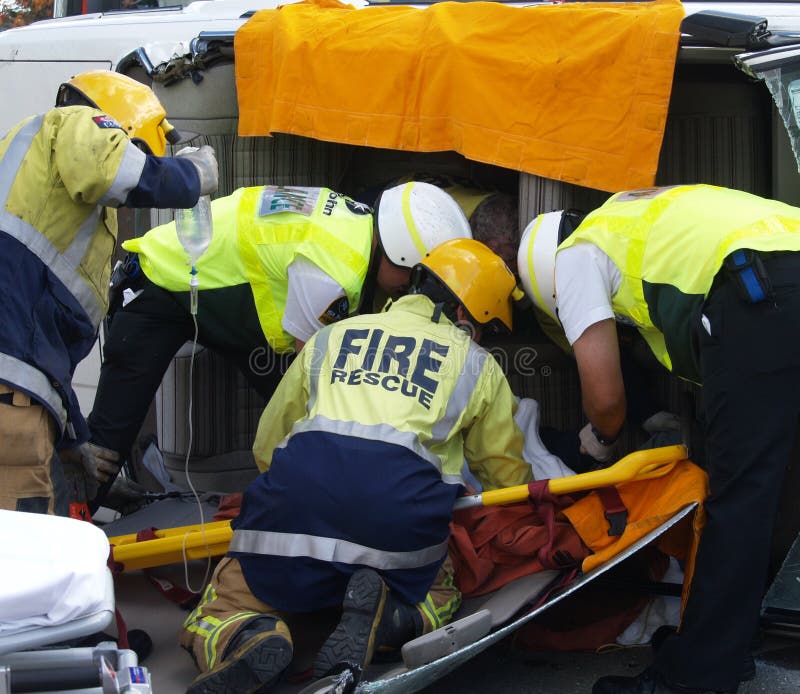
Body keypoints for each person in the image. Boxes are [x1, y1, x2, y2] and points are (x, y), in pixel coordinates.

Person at [179, 238, 533, 693]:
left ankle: (247, 635)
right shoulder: (476, 364)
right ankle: (392, 620)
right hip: (395, 536)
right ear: (467, 318)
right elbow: (506, 480)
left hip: (292, 514)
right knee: (442, 593)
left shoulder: (331, 336)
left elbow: (267, 444)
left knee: (224, 605)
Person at [517, 183, 800, 693]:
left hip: (759, 290)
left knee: (740, 497)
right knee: (784, 485)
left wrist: (599, 444)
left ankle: (694, 679)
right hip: (783, 268)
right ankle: (727, 643)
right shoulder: (633, 212)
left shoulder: (575, 254)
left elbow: (606, 401)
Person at [84, 180, 472, 507]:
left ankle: (308, 497)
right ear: (398, 252)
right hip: (159, 286)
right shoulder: (334, 272)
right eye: (411, 276)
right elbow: (315, 384)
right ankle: (67, 523)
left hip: (231, 299)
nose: (409, 288)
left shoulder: (359, 222)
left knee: (290, 411)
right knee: (104, 448)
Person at [0, 69, 218, 514]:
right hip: (10, 389)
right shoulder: (77, 123)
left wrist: (72, 443)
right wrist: (193, 176)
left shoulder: (35, 178)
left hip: (17, 387)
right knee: (30, 555)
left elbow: (40, 346)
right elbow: (115, 172)